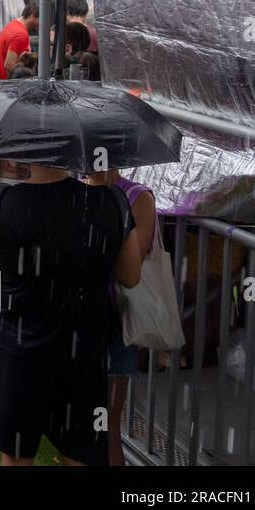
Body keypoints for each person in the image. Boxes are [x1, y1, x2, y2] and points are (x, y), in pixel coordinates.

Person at [0, 156, 142, 466]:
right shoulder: (110, 202)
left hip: (18, 351)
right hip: (82, 352)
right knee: (81, 453)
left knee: (17, 456)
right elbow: (130, 275)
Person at [85, 170, 157, 466]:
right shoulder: (75, 189)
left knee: (106, 421)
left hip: (114, 319)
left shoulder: (137, 197)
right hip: (76, 318)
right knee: (81, 419)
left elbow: (131, 269)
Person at [0, 2, 38, 81]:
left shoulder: (13, 25)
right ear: (33, 15)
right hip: (5, 85)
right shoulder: (21, 34)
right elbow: (9, 65)